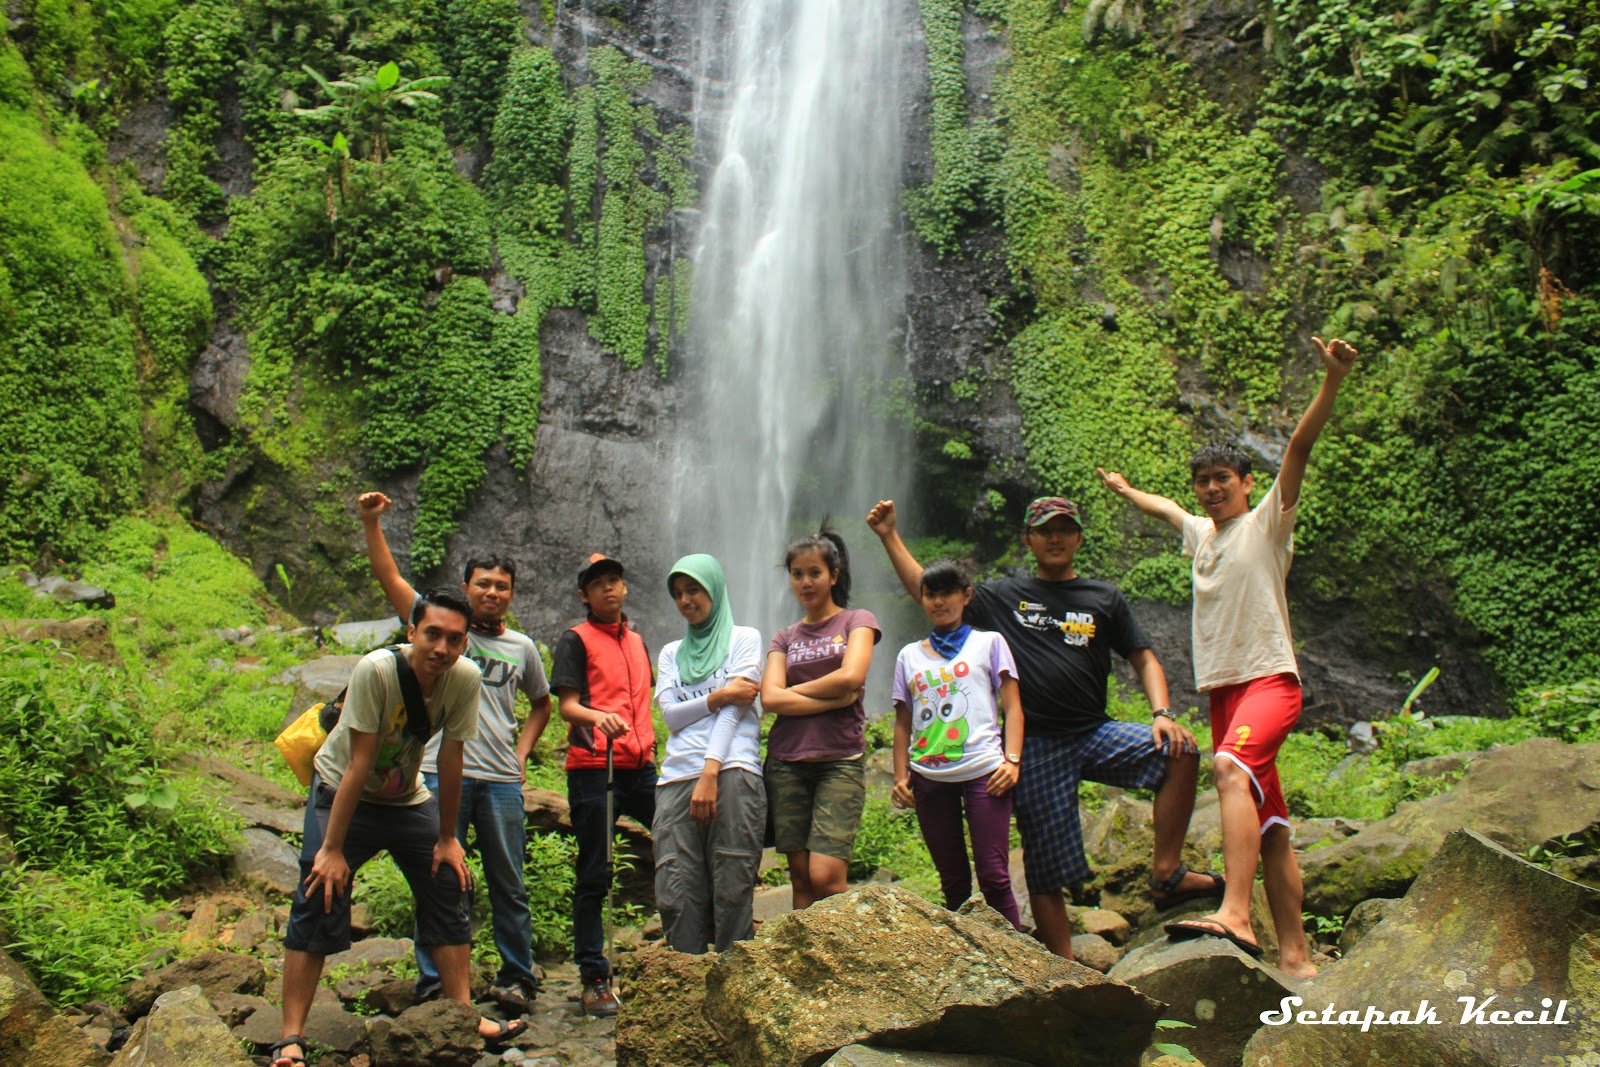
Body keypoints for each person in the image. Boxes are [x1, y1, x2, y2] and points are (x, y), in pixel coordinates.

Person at [1097, 334, 1360, 978]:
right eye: (1203, 481)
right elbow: (1168, 511)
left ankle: (1237, 914)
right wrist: (1127, 491)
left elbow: (1299, 448)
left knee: (1228, 767)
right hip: (1225, 693)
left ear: (1247, 484)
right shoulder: (1201, 535)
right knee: (1271, 827)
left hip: (1269, 682)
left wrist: (1331, 379)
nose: (1212, 489)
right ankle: (1296, 956)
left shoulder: (1268, 524)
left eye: (1223, 479)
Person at [867, 497, 1216, 962]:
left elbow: (1143, 657)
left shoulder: (1103, 597)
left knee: (1180, 752)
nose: (1056, 537)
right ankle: (1062, 968)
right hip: (1036, 746)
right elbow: (933, 592)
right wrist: (890, 535)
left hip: (1094, 732)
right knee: (1045, 867)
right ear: (1028, 540)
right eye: (1045, 530)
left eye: (1065, 529)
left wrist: (1162, 714)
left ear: (1079, 538)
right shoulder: (1003, 597)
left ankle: (1167, 873)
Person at [270, 589, 526, 1067]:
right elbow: (359, 762)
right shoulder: (377, 670)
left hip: (407, 797)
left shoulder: (465, 678)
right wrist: (332, 849)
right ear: (412, 632)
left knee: (449, 879)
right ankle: (290, 1036)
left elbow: (452, 758)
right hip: (343, 790)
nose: (442, 649)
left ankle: (462, 1014)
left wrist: (447, 839)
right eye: (432, 635)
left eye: (454, 639)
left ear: (465, 643)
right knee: (317, 890)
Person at [357, 491, 552, 1009]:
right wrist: (372, 523)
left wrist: (522, 753)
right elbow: (390, 578)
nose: (492, 592)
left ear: (512, 595)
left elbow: (542, 704)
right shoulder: (444, 630)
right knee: (439, 878)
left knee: (509, 880)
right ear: (466, 588)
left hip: (501, 780)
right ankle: (435, 983)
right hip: (439, 774)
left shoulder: (522, 648)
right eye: (483, 583)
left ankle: (517, 975)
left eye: (502, 586)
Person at [890, 557, 1025, 928]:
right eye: (930, 594)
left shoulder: (990, 643)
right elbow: (903, 722)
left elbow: (1013, 707)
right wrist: (900, 776)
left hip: (985, 771)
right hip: (929, 777)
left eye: (948, 592)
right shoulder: (908, 656)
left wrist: (1012, 760)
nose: (939, 601)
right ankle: (963, 956)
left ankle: (1019, 956)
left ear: (966, 596)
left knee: (994, 876)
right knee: (953, 883)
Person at [551, 553, 656, 1017]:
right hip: (595, 764)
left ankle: (688, 946)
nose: (609, 588)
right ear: (584, 595)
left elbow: (644, 700)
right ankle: (594, 976)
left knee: (679, 840)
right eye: (598, 584)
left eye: (614, 580)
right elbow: (568, 706)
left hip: (641, 765)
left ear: (625, 587)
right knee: (595, 869)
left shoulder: (637, 641)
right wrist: (599, 718)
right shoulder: (576, 639)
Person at [760, 526, 881, 909]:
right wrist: (832, 702)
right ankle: (805, 949)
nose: (806, 582)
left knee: (826, 877)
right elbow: (769, 698)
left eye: (815, 573)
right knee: (800, 878)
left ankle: (841, 948)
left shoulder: (857, 621)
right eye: (797, 574)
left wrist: (790, 693)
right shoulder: (784, 637)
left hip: (839, 762)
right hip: (787, 762)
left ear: (834, 575)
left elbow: (851, 676)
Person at [652, 554, 766, 953]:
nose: (686, 600)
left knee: (733, 882)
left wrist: (709, 772)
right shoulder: (671, 653)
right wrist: (719, 696)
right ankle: (685, 980)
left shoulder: (744, 638)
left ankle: (734, 983)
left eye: (694, 590)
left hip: (732, 770)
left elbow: (734, 713)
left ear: (714, 590)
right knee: (676, 888)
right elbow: (671, 716)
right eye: (678, 594)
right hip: (675, 777)